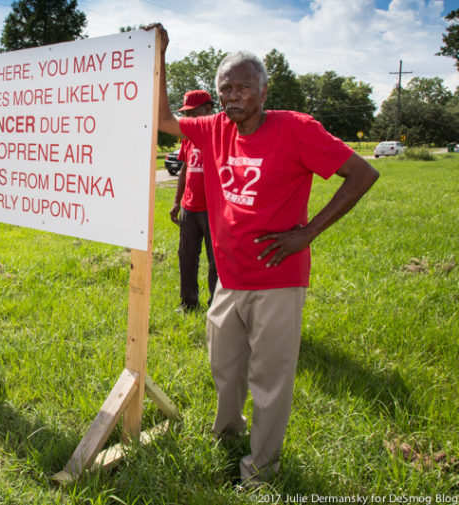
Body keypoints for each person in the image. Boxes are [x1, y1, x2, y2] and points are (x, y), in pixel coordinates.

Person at [151, 25, 379, 485]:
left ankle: (261, 469)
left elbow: (362, 174)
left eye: (243, 87)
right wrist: (160, 56)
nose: (233, 96)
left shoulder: (296, 129)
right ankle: (228, 433)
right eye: (226, 89)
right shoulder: (214, 129)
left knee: (269, 379)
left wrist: (308, 232)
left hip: (278, 277)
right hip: (229, 279)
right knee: (224, 365)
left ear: (263, 90)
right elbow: (162, 120)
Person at [170, 90, 218, 312]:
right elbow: (185, 168)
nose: (188, 118)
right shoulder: (188, 136)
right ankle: (188, 302)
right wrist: (177, 202)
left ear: (208, 109)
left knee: (215, 261)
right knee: (187, 257)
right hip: (190, 207)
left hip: (214, 209)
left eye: (192, 112)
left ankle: (215, 305)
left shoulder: (220, 134)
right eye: (185, 114)